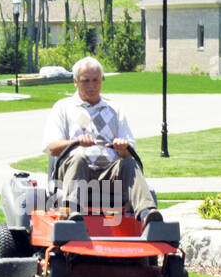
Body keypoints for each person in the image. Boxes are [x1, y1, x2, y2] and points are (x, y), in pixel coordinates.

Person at [41, 56, 163, 225]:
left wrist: (123, 148)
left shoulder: (114, 110)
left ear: (101, 81)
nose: (91, 86)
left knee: (129, 164)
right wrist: (75, 142)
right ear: (75, 82)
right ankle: (72, 212)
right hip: (76, 171)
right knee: (78, 158)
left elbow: (130, 150)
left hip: (109, 173)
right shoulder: (63, 107)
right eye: (86, 81)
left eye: (95, 80)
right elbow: (51, 147)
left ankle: (147, 214)